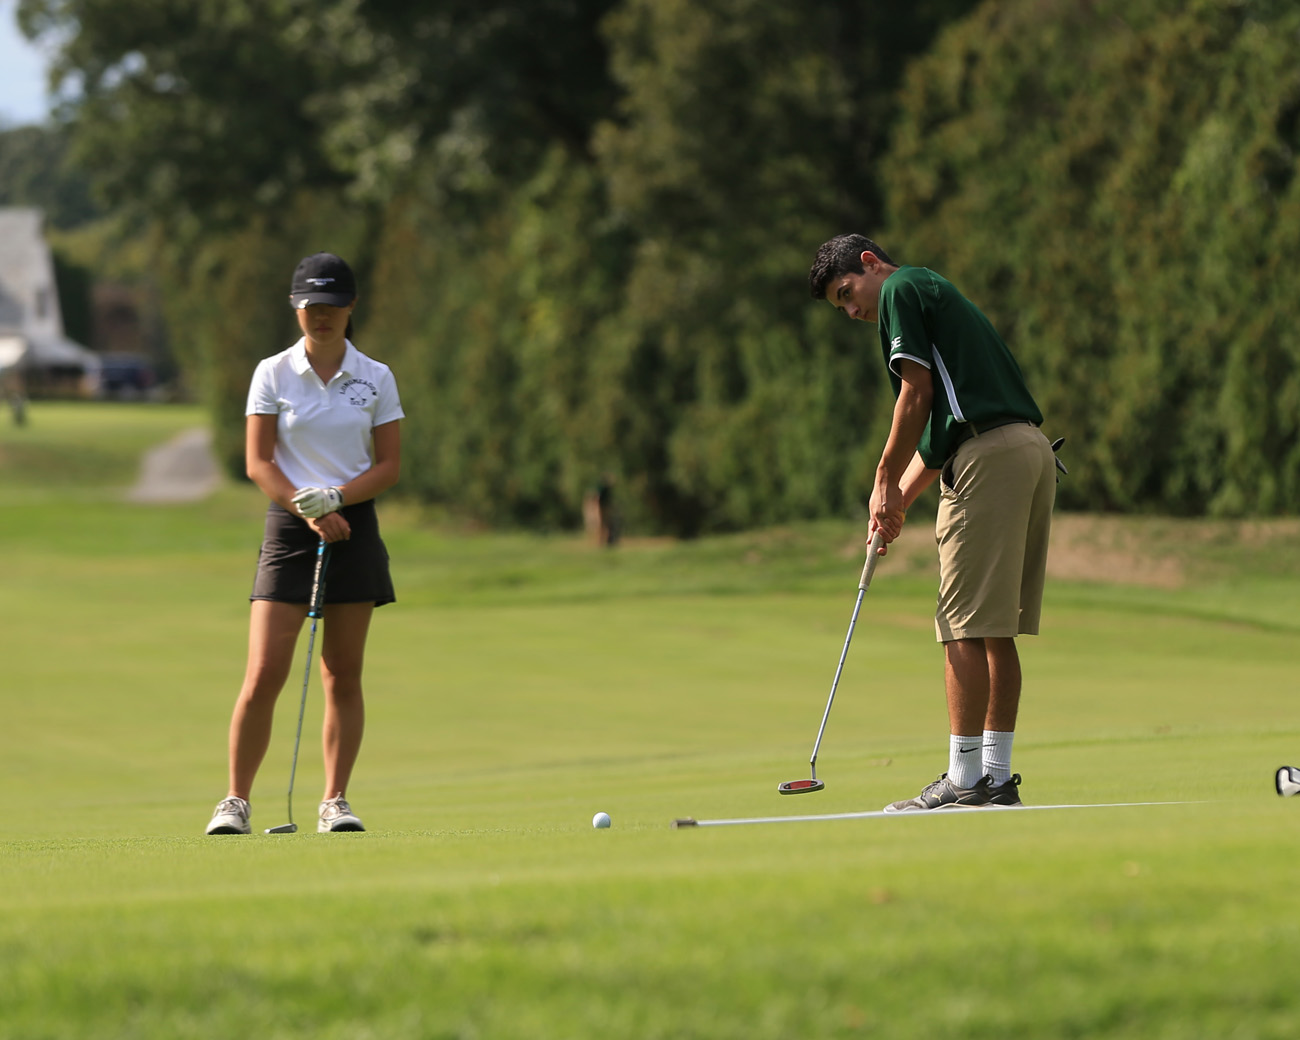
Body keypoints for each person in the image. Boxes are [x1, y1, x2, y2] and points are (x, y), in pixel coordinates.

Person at [808, 234, 1057, 811]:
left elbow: (914, 396)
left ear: (869, 264)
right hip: (1026, 449)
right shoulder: (929, 288)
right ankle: (993, 776)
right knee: (994, 629)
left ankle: (965, 778)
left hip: (988, 457)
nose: (851, 311)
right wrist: (896, 502)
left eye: (848, 293)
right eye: (840, 307)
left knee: (961, 625)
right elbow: (942, 432)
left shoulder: (898, 288)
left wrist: (881, 477)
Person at [206, 252, 404, 834]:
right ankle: (235, 801)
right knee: (265, 670)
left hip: (354, 523)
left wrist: (337, 501)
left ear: (351, 307)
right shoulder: (272, 372)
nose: (321, 316)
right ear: (297, 309)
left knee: (342, 673)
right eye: (311, 307)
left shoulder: (377, 376)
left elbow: (389, 465)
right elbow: (257, 461)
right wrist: (307, 507)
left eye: (332, 306)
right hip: (291, 527)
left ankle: (334, 801)